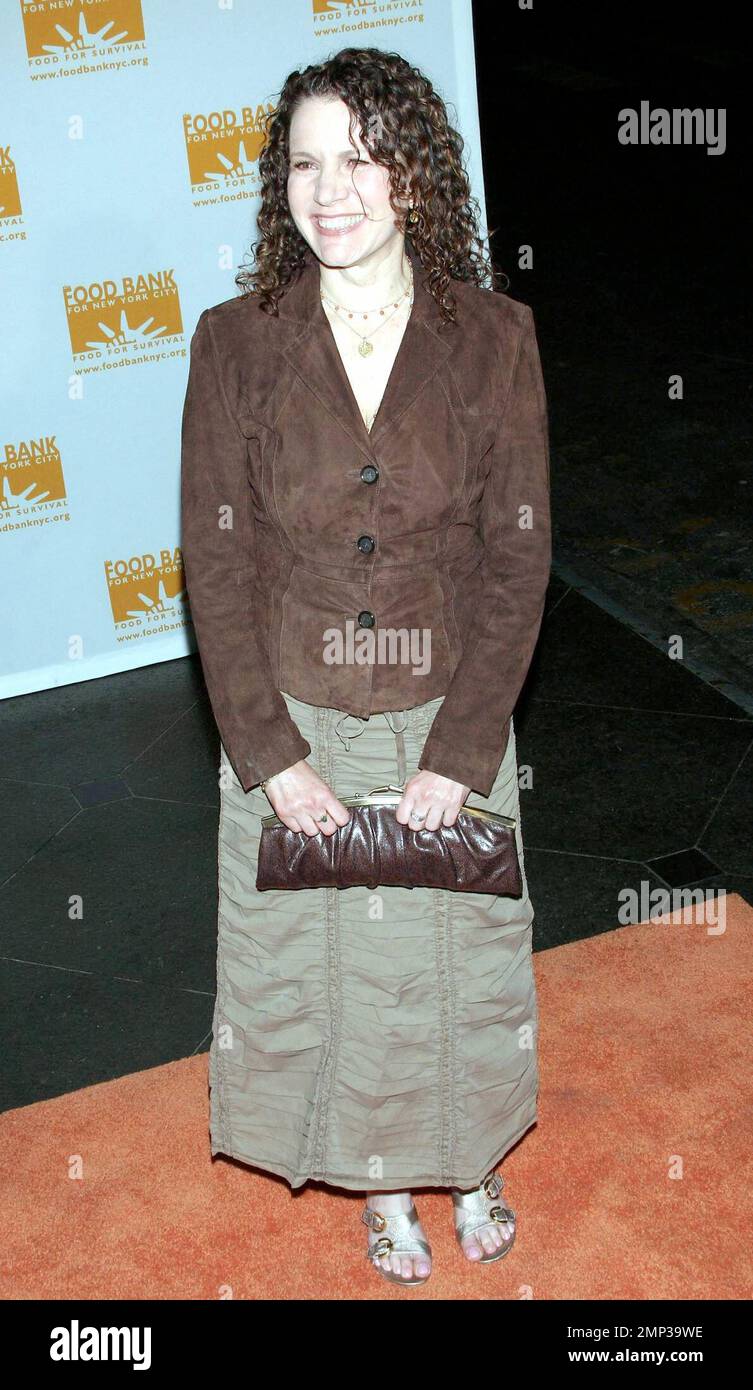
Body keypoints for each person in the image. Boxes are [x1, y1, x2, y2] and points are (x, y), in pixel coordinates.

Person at [180, 46, 551, 1288]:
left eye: (359, 157)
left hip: (448, 705)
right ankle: (384, 1184)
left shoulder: (495, 339)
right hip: (300, 710)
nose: (328, 190)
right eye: (303, 162)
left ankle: (471, 1155)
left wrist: (464, 751)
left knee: (456, 958)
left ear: (416, 174)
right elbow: (215, 566)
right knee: (327, 970)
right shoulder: (237, 343)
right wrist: (269, 759)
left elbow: (518, 555)